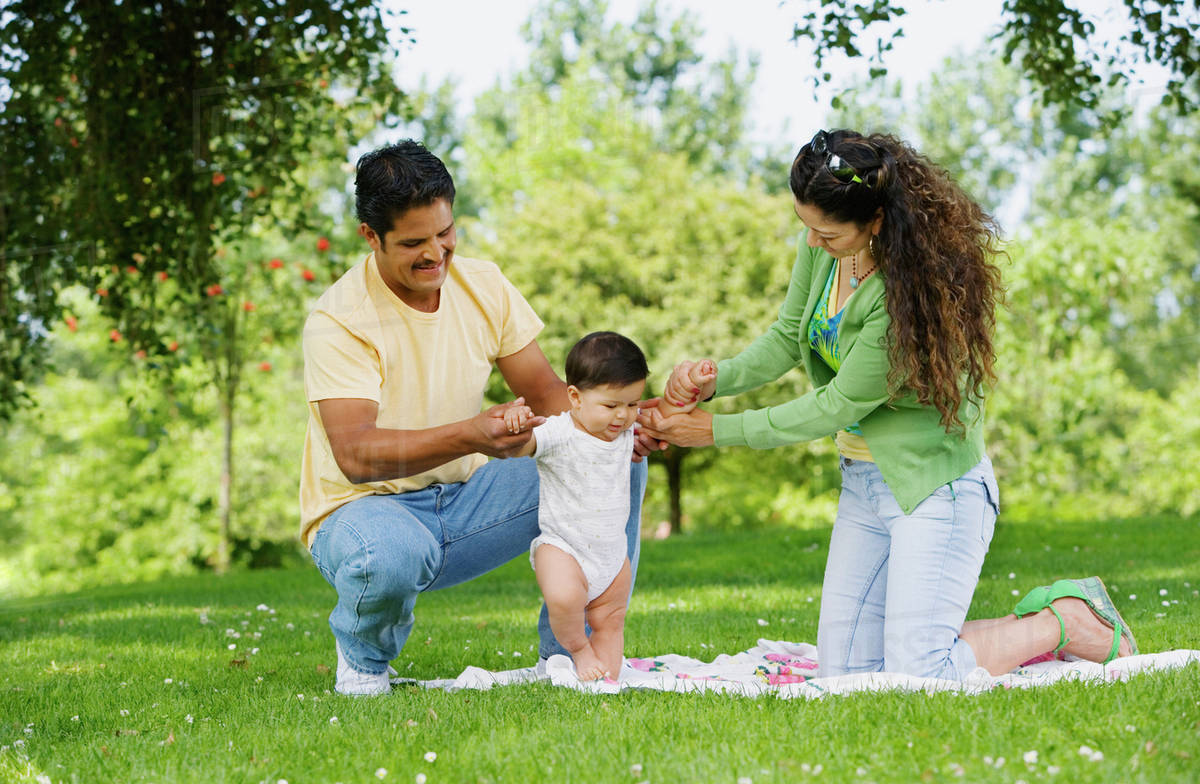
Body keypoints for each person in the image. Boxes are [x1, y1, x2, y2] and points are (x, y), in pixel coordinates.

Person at [639, 128, 1138, 679]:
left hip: (934, 491)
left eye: (825, 234)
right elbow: (788, 335)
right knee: (849, 676)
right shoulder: (827, 252)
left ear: (876, 220)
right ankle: (946, 633)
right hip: (864, 483)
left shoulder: (903, 299)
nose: (811, 244)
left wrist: (713, 431)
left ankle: (1065, 620)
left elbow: (835, 404)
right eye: (805, 227)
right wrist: (716, 379)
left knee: (919, 676)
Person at [300, 140, 649, 695]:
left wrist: (621, 422)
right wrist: (472, 435)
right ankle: (364, 664)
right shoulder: (339, 320)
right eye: (414, 242)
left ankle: (572, 654)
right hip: (364, 516)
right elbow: (356, 455)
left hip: (468, 506)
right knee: (389, 553)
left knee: (615, 453)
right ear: (370, 236)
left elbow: (547, 394)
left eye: (445, 233)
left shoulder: (482, 284)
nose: (436, 254)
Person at [502, 331, 649, 681]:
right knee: (566, 598)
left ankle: (606, 679)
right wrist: (517, 427)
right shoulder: (559, 432)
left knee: (611, 620)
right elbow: (522, 446)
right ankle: (579, 651)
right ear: (575, 397)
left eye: (632, 404)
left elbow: (661, 424)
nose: (622, 416)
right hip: (563, 547)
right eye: (611, 406)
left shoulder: (627, 432)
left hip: (612, 554)